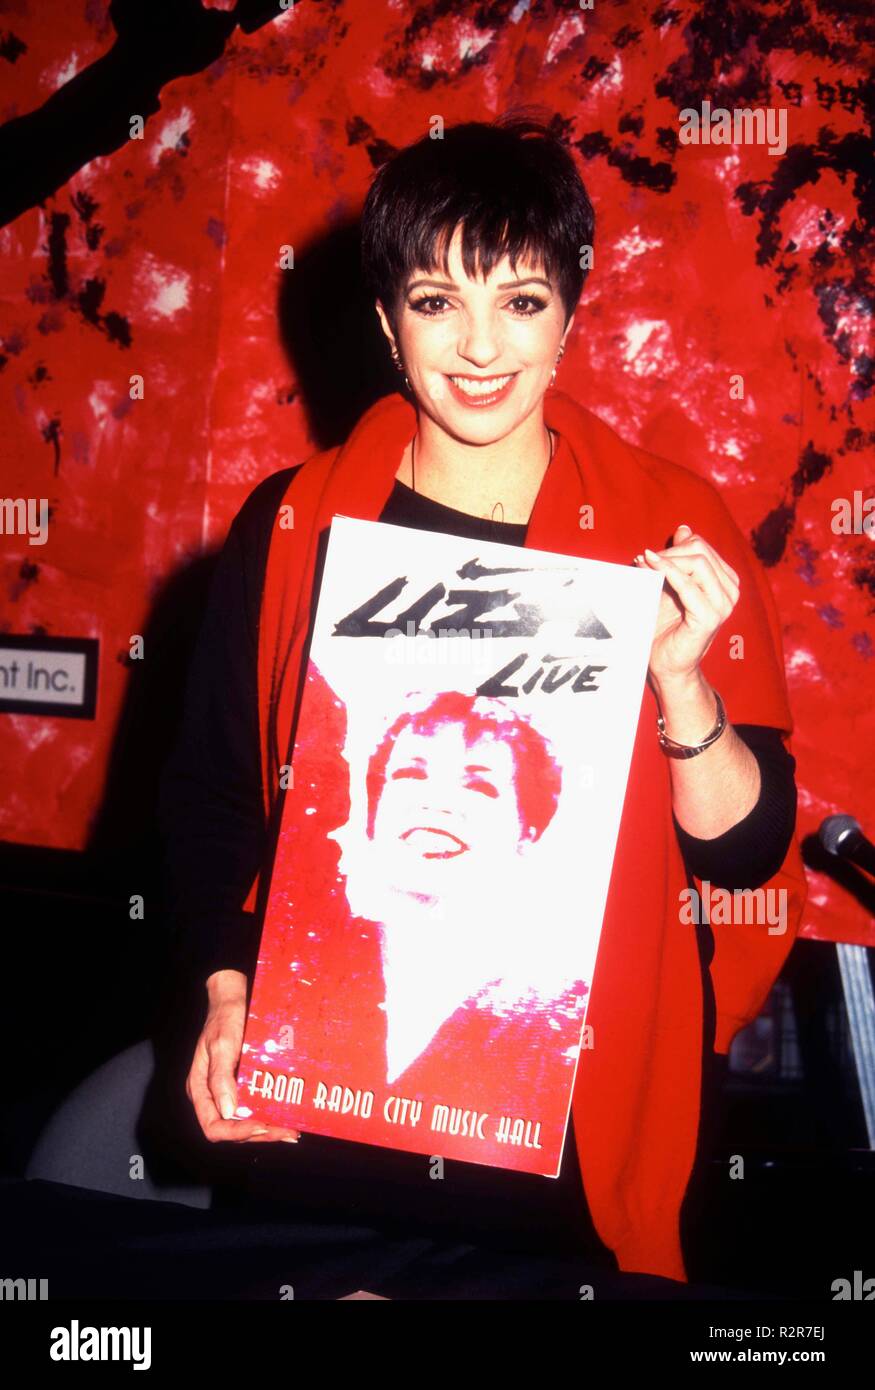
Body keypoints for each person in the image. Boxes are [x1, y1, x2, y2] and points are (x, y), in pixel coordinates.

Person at [159, 114, 805, 1279]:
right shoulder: (294, 522)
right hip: (319, 1099)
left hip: (558, 1125)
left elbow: (745, 851)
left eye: (517, 299)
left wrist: (677, 680)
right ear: (381, 322)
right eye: (433, 300)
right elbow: (211, 798)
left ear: (569, 309)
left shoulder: (670, 522)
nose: (477, 346)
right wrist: (222, 991)